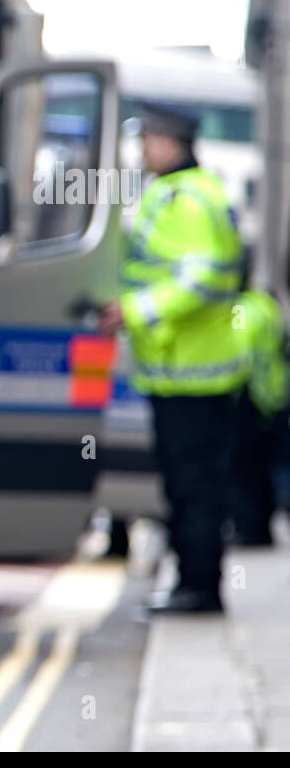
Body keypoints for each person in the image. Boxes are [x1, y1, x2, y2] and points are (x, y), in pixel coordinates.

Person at [97, 101, 246, 613]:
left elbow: (203, 279)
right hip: (180, 373)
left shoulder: (187, 199)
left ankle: (198, 587)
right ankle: (193, 580)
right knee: (189, 482)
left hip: (191, 374)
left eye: (147, 140)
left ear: (170, 142)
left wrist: (133, 309)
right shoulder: (184, 193)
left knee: (193, 485)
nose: (142, 150)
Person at [229, 277, 287, 545]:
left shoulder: (242, 310)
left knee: (245, 471)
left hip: (248, 400)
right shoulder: (264, 305)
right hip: (272, 399)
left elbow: (240, 357)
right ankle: (261, 527)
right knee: (263, 468)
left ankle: (251, 529)